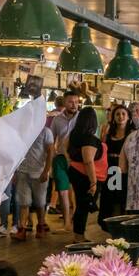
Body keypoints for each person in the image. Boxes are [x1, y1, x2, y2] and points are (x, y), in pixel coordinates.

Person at [12, 110, 55, 241]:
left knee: (40, 202)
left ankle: (41, 226)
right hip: (22, 171)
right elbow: (15, 151)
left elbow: (50, 152)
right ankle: (22, 229)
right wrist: (14, 171)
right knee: (23, 202)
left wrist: (46, 171)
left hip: (39, 172)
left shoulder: (46, 132)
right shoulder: (22, 132)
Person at [66, 106, 106, 239]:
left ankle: (79, 234)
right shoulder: (90, 139)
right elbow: (88, 161)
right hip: (86, 176)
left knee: (80, 205)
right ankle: (79, 236)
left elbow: (64, 149)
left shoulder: (74, 136)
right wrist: (93, 182)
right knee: (84, 206)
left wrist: (71, 164)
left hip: (76, 173)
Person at [51, 90, 82, 231]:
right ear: (64, 102)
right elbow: (51, 141)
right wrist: (50, 164)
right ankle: (67, 223)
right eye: (71, 101)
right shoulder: (57, 120)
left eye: (76, 102)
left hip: (78, 159)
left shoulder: (82, 118)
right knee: (62, 191)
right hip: (61, 159)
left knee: (76, 190)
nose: (74, 104)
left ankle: (76, 218)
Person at [101, 103, 132, 231]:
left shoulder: (132, 134)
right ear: (113, 117)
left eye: (123, 114)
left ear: (128, 117)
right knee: (112, 199)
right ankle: (114, 226)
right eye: (117, 114)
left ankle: (123, 226)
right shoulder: (108, 132)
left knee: (123, 199)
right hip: (111, 170)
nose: (120, 117)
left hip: (124, 171)